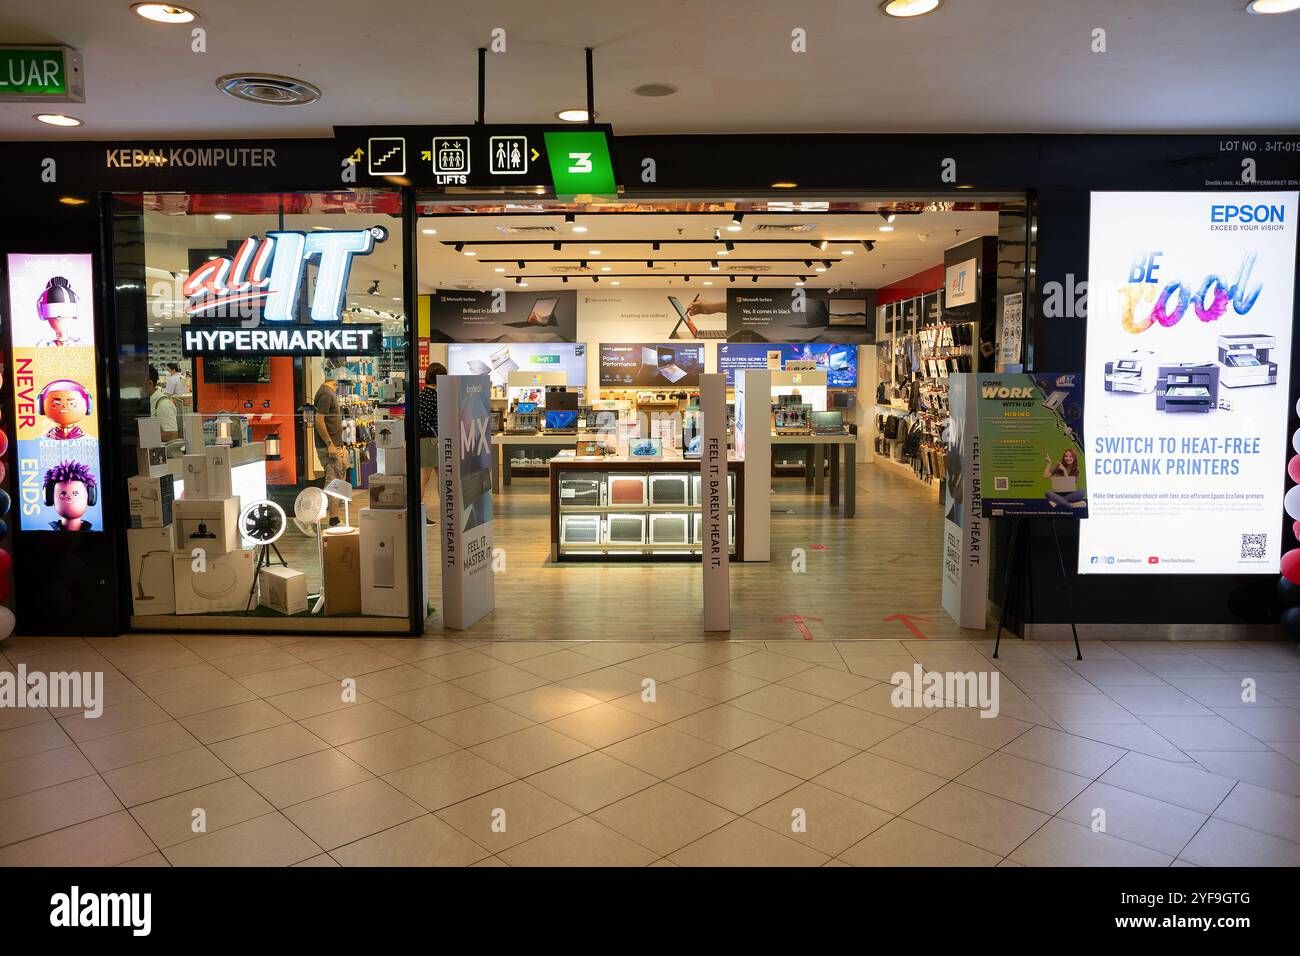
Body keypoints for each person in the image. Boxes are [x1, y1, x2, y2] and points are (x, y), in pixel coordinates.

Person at [314, 360, 348, 523]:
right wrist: (330, 444)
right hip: (330, 446)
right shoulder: (326, 393)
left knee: (336, 481)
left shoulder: (329, 392)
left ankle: (334, 518)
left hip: (335, 444)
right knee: (333, 482)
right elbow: (319, 420)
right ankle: (326, 518)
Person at [419, 363, 446, 525]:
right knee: (425, 477)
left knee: (440, 475)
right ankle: (419, 514)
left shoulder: (422, 394)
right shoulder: (435, 396)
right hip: (430, 440)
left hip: (425, 439)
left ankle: (447, 508)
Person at [35, 276, 84, 347]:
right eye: (54, 311)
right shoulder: (42, 346)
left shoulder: (81, 345)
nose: (60, 317)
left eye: (65, 310)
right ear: (42, 312)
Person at [148, 365, 179, 441]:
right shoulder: (147, 400)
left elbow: (172, 434)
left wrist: (145, 439)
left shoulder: (163, 404)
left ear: (150, 383)